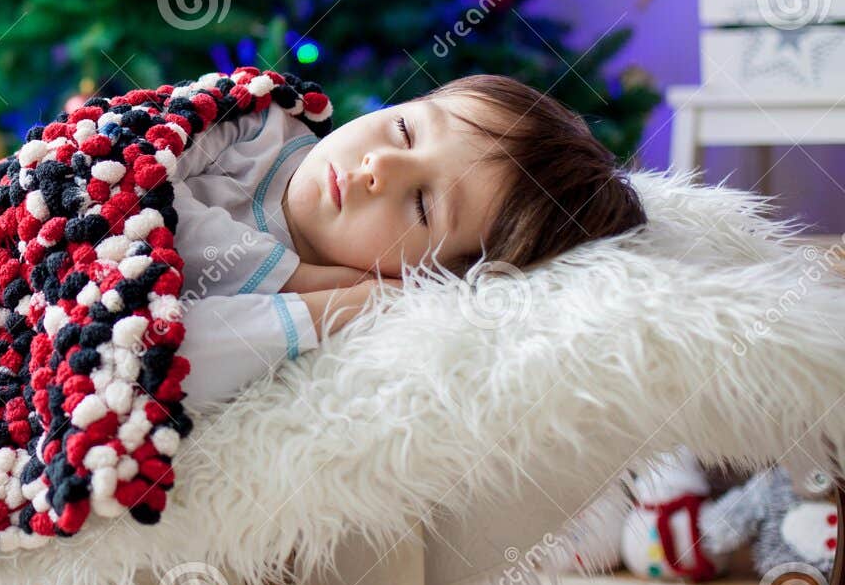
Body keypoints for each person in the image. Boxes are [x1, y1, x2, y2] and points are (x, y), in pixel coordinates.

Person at [172, 74, 647, 406]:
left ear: (433, 277)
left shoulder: (350, 336)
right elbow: (147, 198)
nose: (381, 165)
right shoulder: (254, 123)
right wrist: (295, 277)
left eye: (421, 204)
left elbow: (165, 362)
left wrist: (350, 301)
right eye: (404, 131)